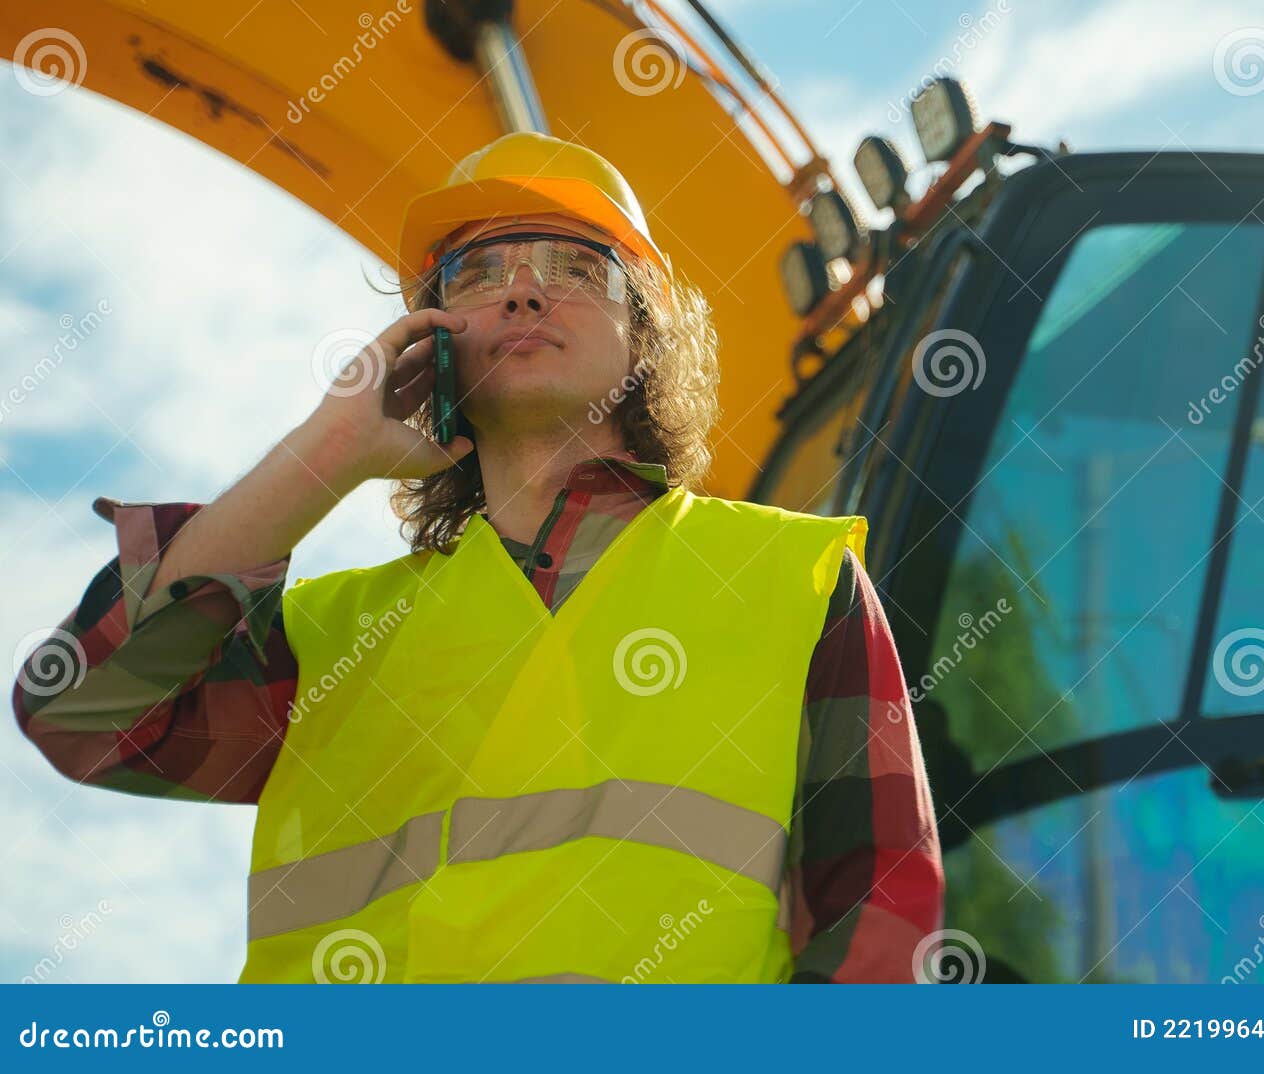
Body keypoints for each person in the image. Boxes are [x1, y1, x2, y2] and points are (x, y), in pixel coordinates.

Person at [12, 131, 943, 984]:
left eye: (577, 268)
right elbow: (81, 714)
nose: (522, 290)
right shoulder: (332, 638)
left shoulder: (793, 578)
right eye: (475, 272)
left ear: (644, 337)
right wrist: (323, 457)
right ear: (428, 346)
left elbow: (879, 935)